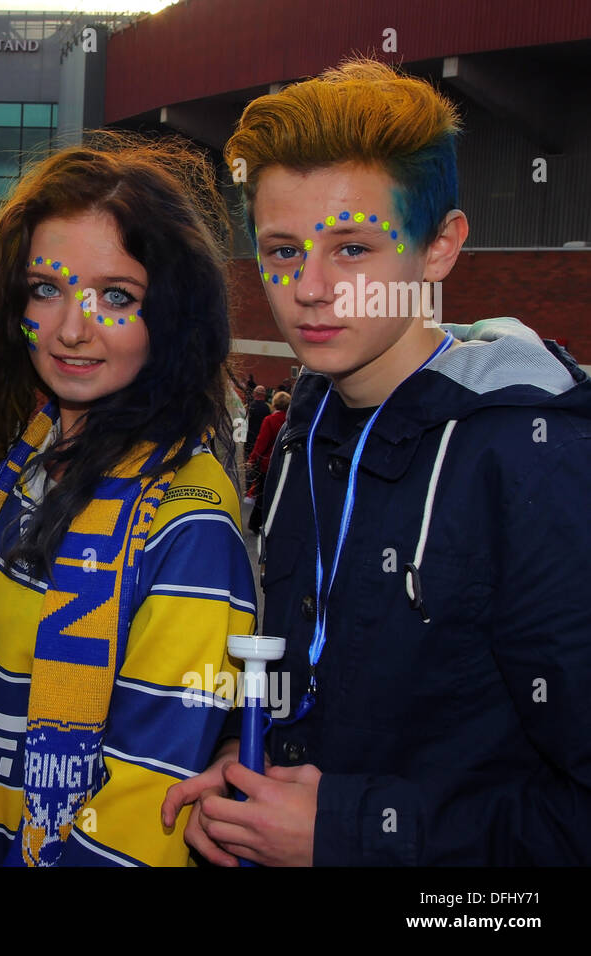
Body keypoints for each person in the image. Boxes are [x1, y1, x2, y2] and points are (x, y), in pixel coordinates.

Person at [162, 58, 591, 866]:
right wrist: (242, 762)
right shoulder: (307, 429)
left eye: (353, 249)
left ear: (439, 249)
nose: (311, 289)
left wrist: (349, 832)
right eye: (282, 249)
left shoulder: (538, 463)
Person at [0, 135, 257, 866]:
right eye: (47, 288)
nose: (71, 329)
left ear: (172, 314)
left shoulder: (187, 522)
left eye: (115, 296)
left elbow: (141, 817)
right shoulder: (29, 450)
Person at [244, 389, 289, 533]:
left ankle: (256, 523)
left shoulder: (270, 420)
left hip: (267, 464)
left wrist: (252, 458)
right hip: (285, 462)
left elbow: (262, 441)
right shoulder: (290, 421)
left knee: (262, 495)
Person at [242, 384, 270, 470]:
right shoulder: (268, 408)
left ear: (254, 394)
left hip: (249, 440)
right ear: (264, 395)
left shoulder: (247, 408)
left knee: (248, 468)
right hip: (263, 442)